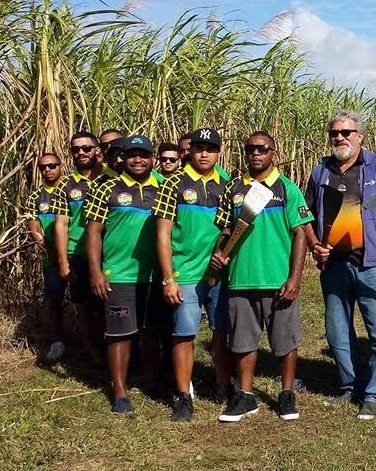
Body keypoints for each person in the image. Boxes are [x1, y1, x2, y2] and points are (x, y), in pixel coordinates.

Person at [304, 109, 376, 420]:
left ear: (360, 136)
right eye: (334, 133)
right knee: (337, 329)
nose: (340, 138)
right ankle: (350, 386)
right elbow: (306, 214)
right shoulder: (320, 172)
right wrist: (315, 245)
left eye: (346, 132)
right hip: (334, 265)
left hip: (373, 265)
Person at [210, 132, 312, 422]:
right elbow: (226, 231)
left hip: (277, 279)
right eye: (250, 149)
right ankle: (245, 395)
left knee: (285, 342)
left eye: (262, 149)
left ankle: (287, 393)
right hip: (241, 278)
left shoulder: (287, 189)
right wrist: (220, 251)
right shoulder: (233, 189)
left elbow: (300, 233)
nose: (256, 153)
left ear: (273, 153)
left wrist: (294, 278)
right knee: (242, 342)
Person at [153, 127, 231, 422]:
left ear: (218, 152)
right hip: (184, 273)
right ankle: (184, 395)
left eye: (210, 148)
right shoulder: (173, 184)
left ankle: (224, 385)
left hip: (218, 275)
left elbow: (229, 227)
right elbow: (162, 235)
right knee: (184, 335)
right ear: (190, 150)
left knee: (221, 332)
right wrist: (168, 278)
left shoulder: (227, 184)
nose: (204, 153)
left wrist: (222, 252)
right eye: (199, 147)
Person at [85, 135, 165, 413]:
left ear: (152, 159)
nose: (138, 160)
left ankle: (151, 380)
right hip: (118, 274)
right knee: (119, 334)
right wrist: (96, 272)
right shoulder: (106, 189)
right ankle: (119, 391)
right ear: (123, 158)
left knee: (151, 331)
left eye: (144, 155)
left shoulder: (164, 188)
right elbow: (93, 233)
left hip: (155, 275)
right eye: (132, 155)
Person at [51, 131, 105, 364]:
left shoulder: (111, 180)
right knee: (84, 305)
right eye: (76, 149)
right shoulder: (66, 185)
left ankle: (115, 350)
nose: (81, 153)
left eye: (86, 148)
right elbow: (61, 224)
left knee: (108, 304)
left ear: (97, 151)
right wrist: (63, 262)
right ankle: (93, 352)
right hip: (78, 254)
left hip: (109, 254)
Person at [26, 153, 66, 362]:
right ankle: (57, 341)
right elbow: (32, 222)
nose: (47, 170)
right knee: (54, 299)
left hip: (75, 254)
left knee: (84, 302)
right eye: (43, 167)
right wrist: (37, 236)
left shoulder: (70, 189)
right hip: (51, 257)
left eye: (52, 165)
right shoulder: (36, 196)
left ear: (61, 165)